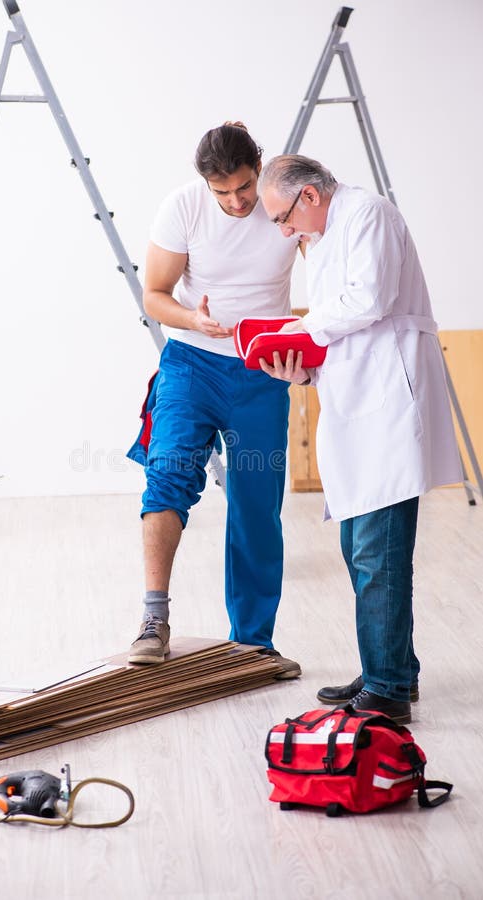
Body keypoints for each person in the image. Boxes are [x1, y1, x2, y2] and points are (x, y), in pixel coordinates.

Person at [257, 154, 462, 723]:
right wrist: (300, 368)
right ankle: (390, 667)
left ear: (309, 196)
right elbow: (338, 335)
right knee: (360, 548)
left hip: (388, 406)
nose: (284, 232)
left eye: (282, 219)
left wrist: (295, 329)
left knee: (379, 553)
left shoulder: (369, 214)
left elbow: (368, 300)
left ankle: (388, 687)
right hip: (355, 408)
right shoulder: (322, 240)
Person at [127, 123, 301, 677]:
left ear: (259, 167)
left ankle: (252, 643)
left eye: (244, 187)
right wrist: (192, 319)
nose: (236, 201)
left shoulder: (283, 203)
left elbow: (328, 276)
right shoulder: (183, 207)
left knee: (255, 503)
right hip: (192, 363)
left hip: (262, 369)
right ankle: (154, 619)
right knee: (167, 476)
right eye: (222, 192)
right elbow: (154, 295)